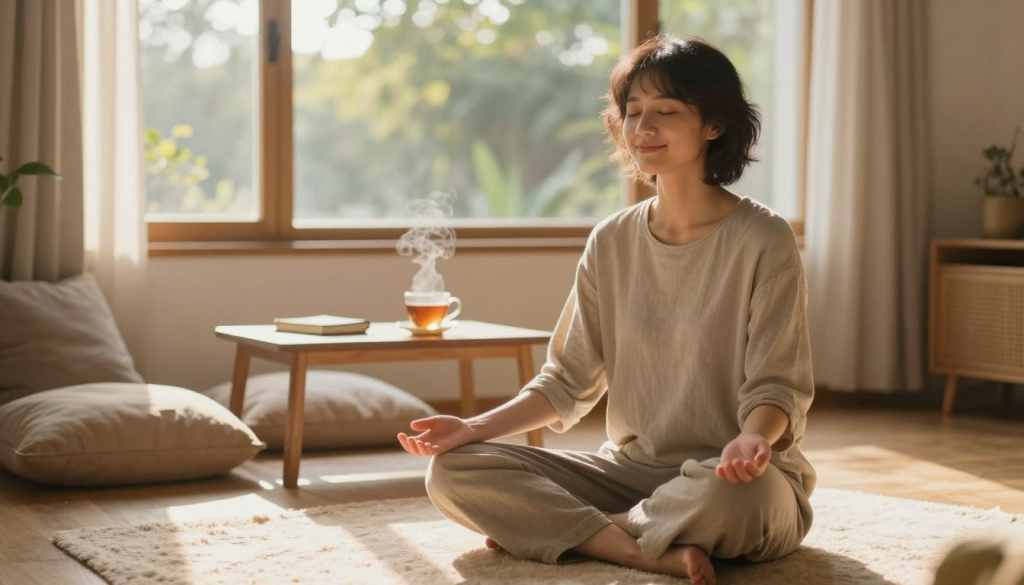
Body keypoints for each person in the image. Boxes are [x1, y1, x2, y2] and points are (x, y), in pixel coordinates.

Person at [397, 34, 814, 585]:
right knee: (452, 471)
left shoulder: (765, 237)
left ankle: (585, 531)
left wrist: (754, 438)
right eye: (633, 112)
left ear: (713, 125)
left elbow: (776, 382)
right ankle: (636, 547)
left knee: (736, 499)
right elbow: (565, 382)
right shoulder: (610, 240)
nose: (643, 129)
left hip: (732, 476)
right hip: (629, 473)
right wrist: (472, 427)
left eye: (665, 112)